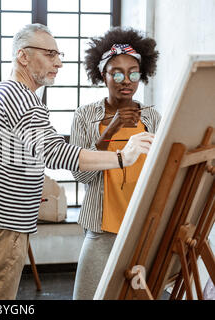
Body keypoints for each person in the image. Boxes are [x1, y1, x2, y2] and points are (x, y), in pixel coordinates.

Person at [0, 24, 155, 300]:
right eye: (50, 54)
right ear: (23, 57)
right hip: (4, 222)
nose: (59, 62)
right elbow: (57, 152)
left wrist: (25, 184)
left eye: (58, 54)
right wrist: (123, 157)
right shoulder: (25, 100)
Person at [70, 27, 161, 300]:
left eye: (133, 73)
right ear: (103, 75)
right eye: (117, 73)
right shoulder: (85, 116)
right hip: (103, 230)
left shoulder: (152, 117)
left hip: (142, 229)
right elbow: (80, 175)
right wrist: (111, 129)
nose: (126, 81)